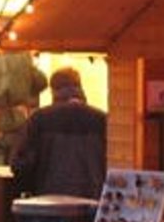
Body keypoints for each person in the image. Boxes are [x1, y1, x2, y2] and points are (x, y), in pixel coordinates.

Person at [11, 66, 106, 199]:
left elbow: (21, 165)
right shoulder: (101, 119)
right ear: (80, 87)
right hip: (92, 203)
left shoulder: (39, 119)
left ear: (53, 90)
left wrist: (30, 190)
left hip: (50, 203)